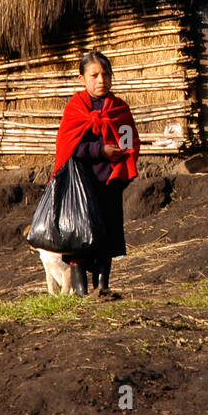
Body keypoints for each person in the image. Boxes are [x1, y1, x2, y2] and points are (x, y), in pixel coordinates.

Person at [52, 50, 140, 295]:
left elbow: (129, 139)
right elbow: (67, 146)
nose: (101, 80)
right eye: (95, 75)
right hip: (80, 181)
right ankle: (81, 292)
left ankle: (103, 287)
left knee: (107, 233)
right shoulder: (75, 108)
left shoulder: (119, 108)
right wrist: (99, 150)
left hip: (109, 180)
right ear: (82, 79)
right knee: (79, 235)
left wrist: (122, 158)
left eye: (106, 75)